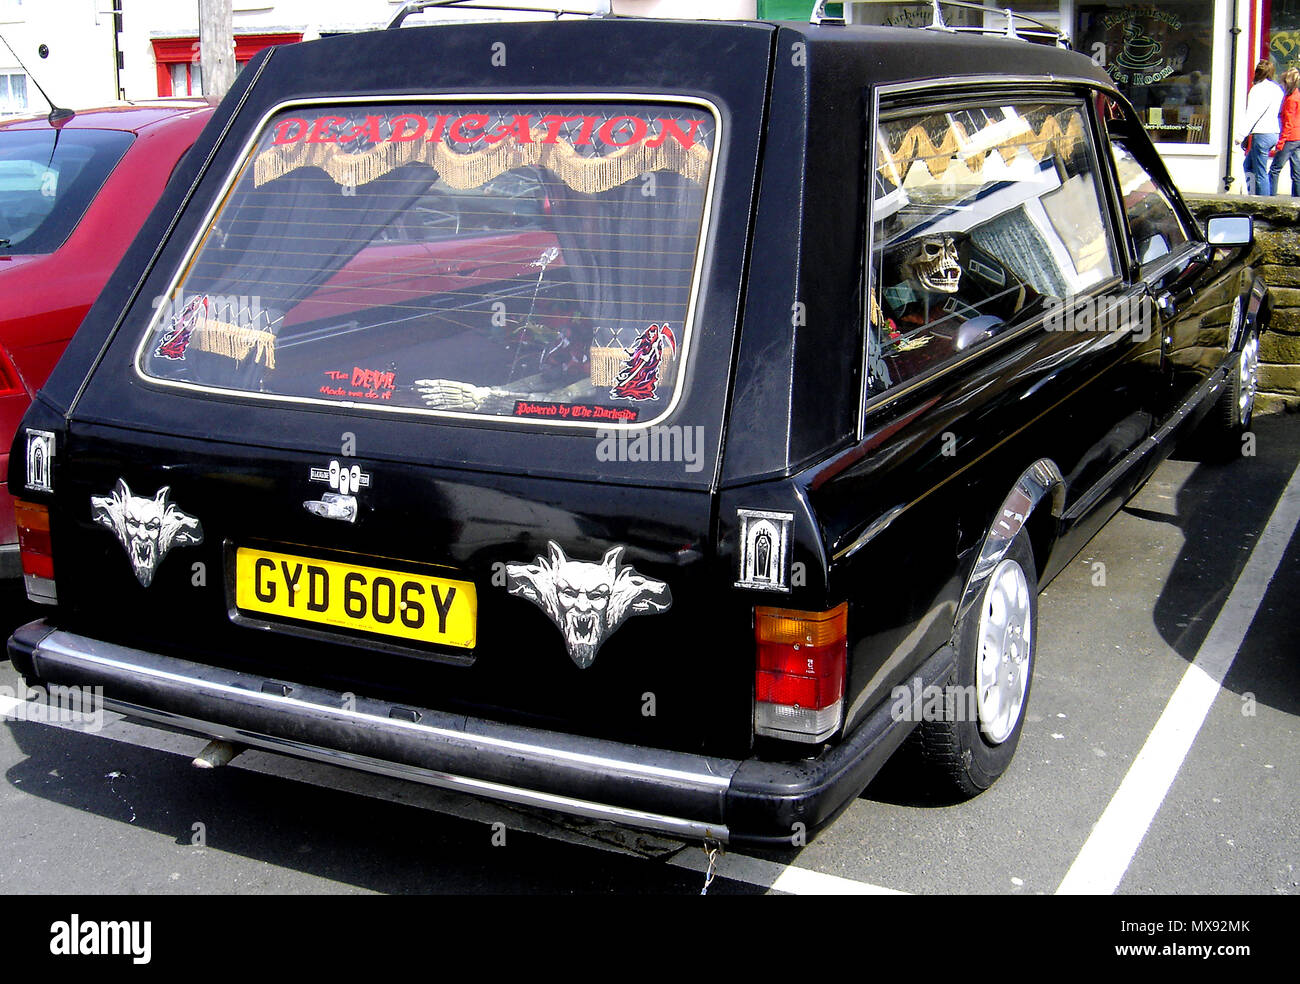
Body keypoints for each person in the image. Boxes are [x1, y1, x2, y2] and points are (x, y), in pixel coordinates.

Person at [1240, 59, 1283, 195]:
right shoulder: (1277, 89)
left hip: (1262, 133)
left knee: (1260, 172)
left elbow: (1252, 114)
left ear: (1257, 73)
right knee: (1248, 165)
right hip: (1273, 132)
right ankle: (1253, 195)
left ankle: (1263, 202)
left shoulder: (1257, 90)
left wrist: (1241, 135)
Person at [1269, 67, 1300, 197]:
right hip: (1298, 136)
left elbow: (1288, 122)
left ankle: (1270, 198)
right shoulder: (1298, 95)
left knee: (1274, 169)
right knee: (1297, 171)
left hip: (1290, 137)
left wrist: (1280, 143)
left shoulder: (1290, 99)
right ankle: (1297, 198)